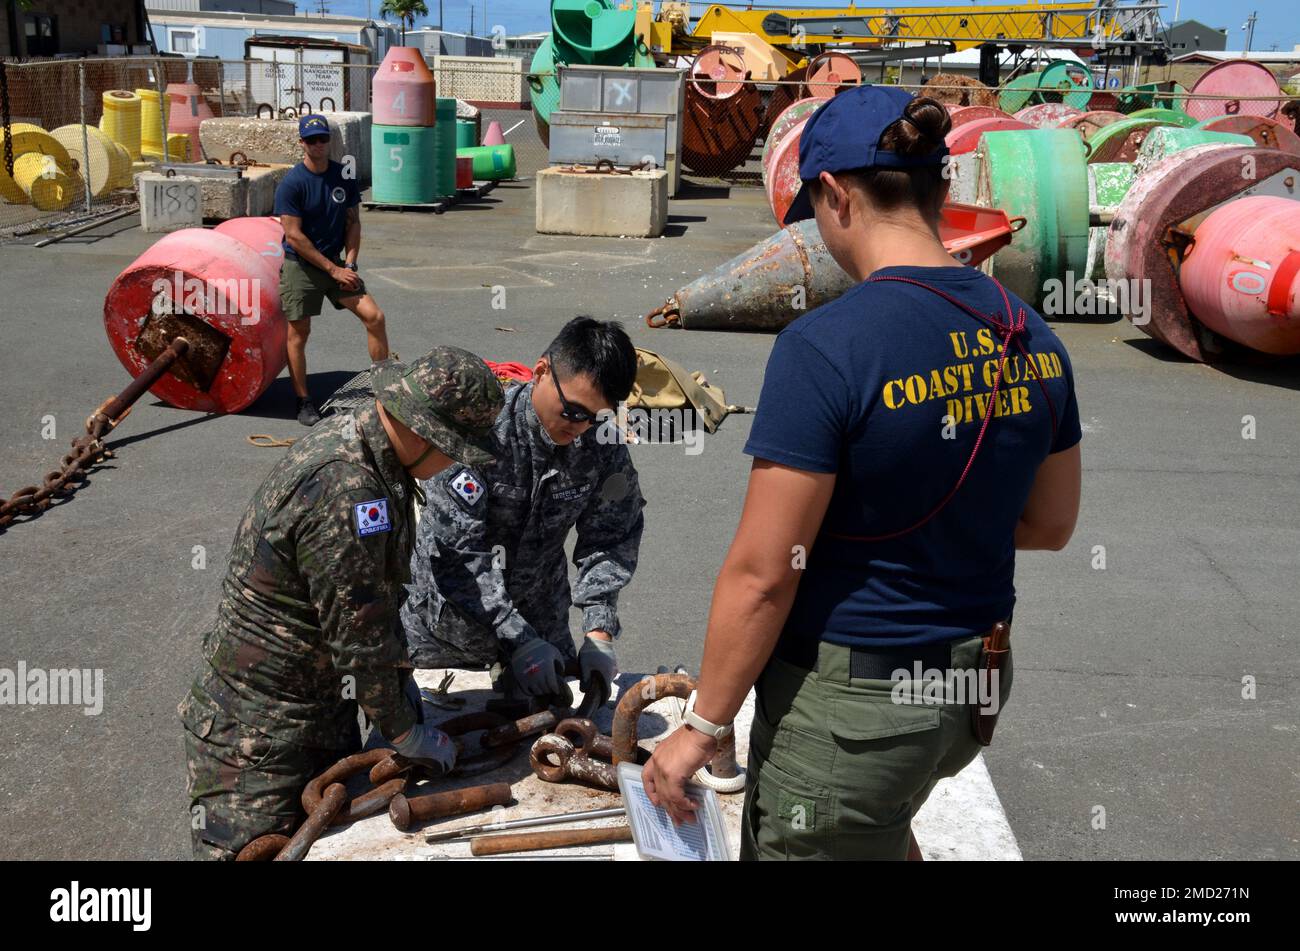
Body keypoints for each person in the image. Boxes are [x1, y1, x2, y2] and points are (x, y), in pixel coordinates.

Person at [643, 87, 1082, 860]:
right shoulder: (1033, 334)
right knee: (879, 821)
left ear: (835, 195)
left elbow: (764, 572)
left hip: (859, 709)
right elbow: (1050, 524)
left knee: (838, 823)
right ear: (941, 191)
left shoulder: (827, 345)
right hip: (970, 685)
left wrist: (703, 726)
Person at [179, 347, 504, 860]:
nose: (456, 464)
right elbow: (360, 634)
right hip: (261, 735)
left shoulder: (373, 453)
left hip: (316, 708)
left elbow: (373, 601)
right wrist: (404, 729)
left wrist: (396, 691)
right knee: (247, 852)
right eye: (456, 450)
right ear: (424, 432)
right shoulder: (345, 486)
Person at [400, 317, 644, 704]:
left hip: (541, 620)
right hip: (451, 633)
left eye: (596, 416)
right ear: (542, 371)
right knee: (434, 737)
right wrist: (517, 638)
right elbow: (456, 554)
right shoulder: (479, 432)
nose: (581, 427)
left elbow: (612, 534)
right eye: (573, 411)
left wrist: (599, 630)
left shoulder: (602, 442)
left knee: (557, 730)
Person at [274, 113, 389, 427]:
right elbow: (294, 236)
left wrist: (349, 263)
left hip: (336, 265)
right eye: (311, 140)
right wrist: (332, 269)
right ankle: (303, 401)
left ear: (329, 141)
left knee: (374, 317)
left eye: (323, 138)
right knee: (299, 334)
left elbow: (353, 222)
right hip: (302, 268)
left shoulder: (343, 176)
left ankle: (384, 388)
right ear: (302, 143)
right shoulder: (292, 184)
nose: (318, 144)